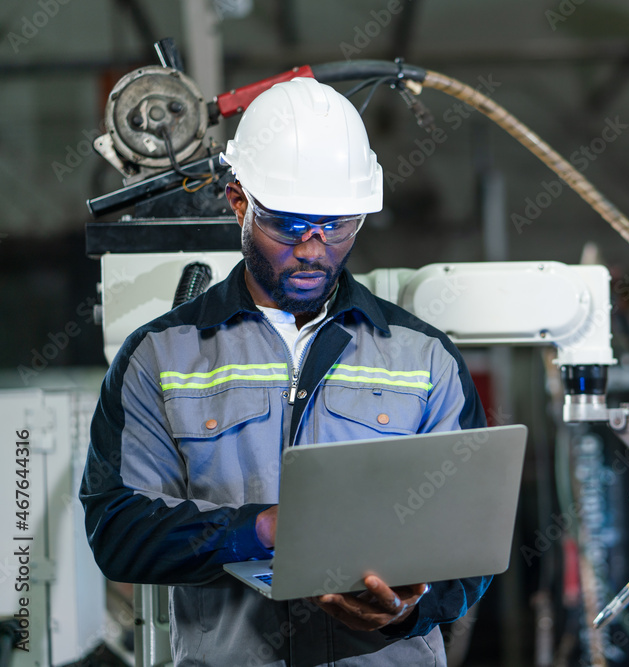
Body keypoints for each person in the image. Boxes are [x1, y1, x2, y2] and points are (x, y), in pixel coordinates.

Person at [79, 77, 489, 666]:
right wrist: (263, 531)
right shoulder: (160, 357)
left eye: (339, 226)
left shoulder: (422, 358)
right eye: (292, 226)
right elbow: (120, 531)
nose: (315, 249)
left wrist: (409, 609)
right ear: (239, 201)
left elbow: (470, 539)